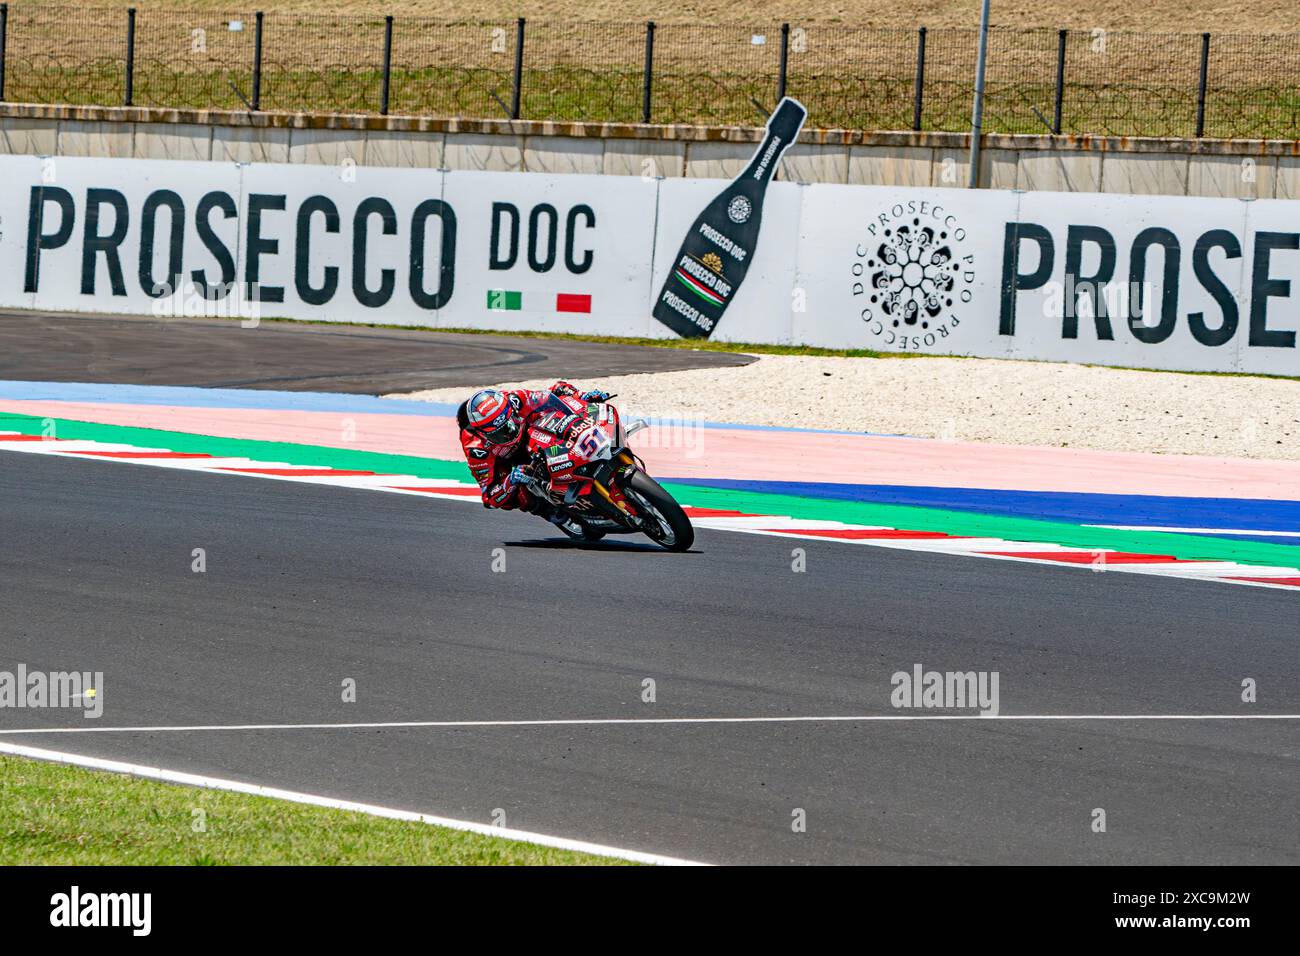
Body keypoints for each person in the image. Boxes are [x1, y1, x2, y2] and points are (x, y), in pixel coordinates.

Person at [457, 381, 611, 525]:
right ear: (483, 434)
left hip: (531, 433)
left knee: (560, 407)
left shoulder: (516, 399)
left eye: (510, 422)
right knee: (519, 497)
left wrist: (582, 396)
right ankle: (545, 510)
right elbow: (488, 497)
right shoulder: (476, 449)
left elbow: (554, 392)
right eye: (500, 432)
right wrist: (510, 481)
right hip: (507, 461)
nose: (510, 432)